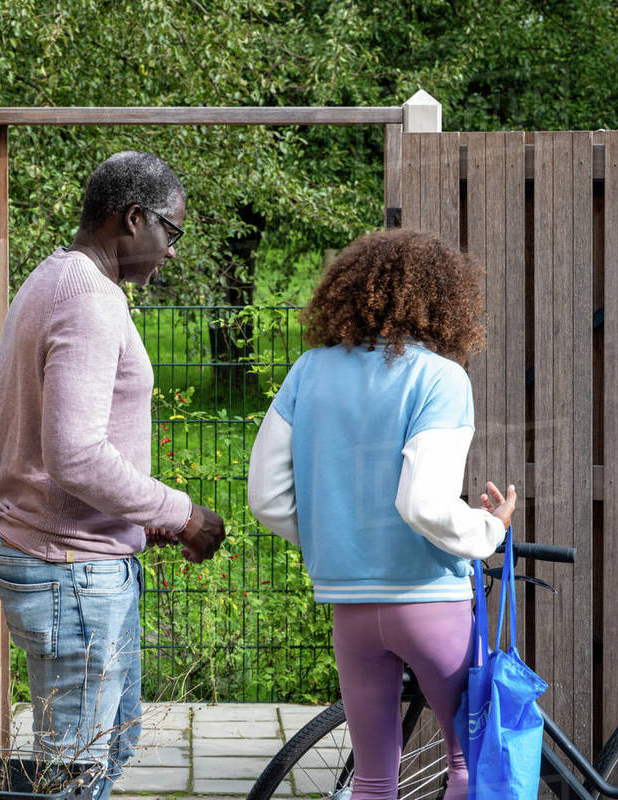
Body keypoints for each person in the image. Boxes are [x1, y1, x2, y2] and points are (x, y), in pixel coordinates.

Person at [247, 228, 517, 800]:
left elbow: (266, 498)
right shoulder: (441, 378)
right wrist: (489, 528)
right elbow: (422, 504)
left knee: (371, 781)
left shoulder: (308, 372)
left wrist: (335, 535)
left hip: (348, 603)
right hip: (429, 604)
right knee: (469, 766)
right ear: (445, 301)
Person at [0, 150, 226, 799]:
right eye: (170, 233)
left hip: (75, 559)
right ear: (132, 219)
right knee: (73, 778)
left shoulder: (56, 280)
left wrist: (129, 516)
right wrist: (179, 512)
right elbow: (75, 455)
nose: (172, 251)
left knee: (102, 756)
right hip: (71, 573)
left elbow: (36, 440)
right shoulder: (88, 301)